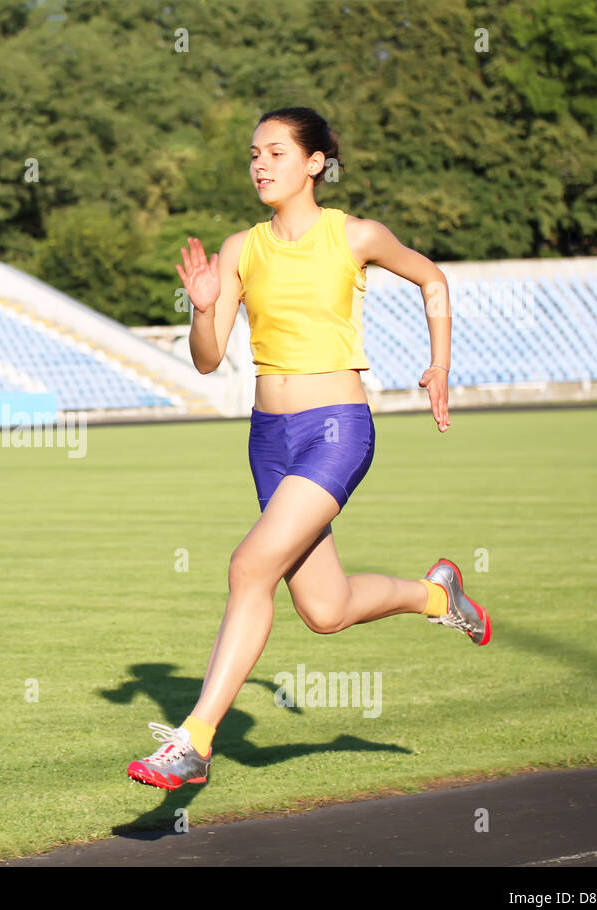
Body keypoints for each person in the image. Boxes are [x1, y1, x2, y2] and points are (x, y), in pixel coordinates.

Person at [127, 107, 491, 791]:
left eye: (275, 152)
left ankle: (194, 742)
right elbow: (208, 362)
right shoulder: (241, 249)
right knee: (325, 611)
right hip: (269, 439)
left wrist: (440, 363)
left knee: (248, 568)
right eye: (253, 155)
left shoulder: (354, 236)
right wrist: (204, 309)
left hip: (337, 430)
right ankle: (436, 596)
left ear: (314, 162)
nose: (260, 164)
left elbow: (433, 279)